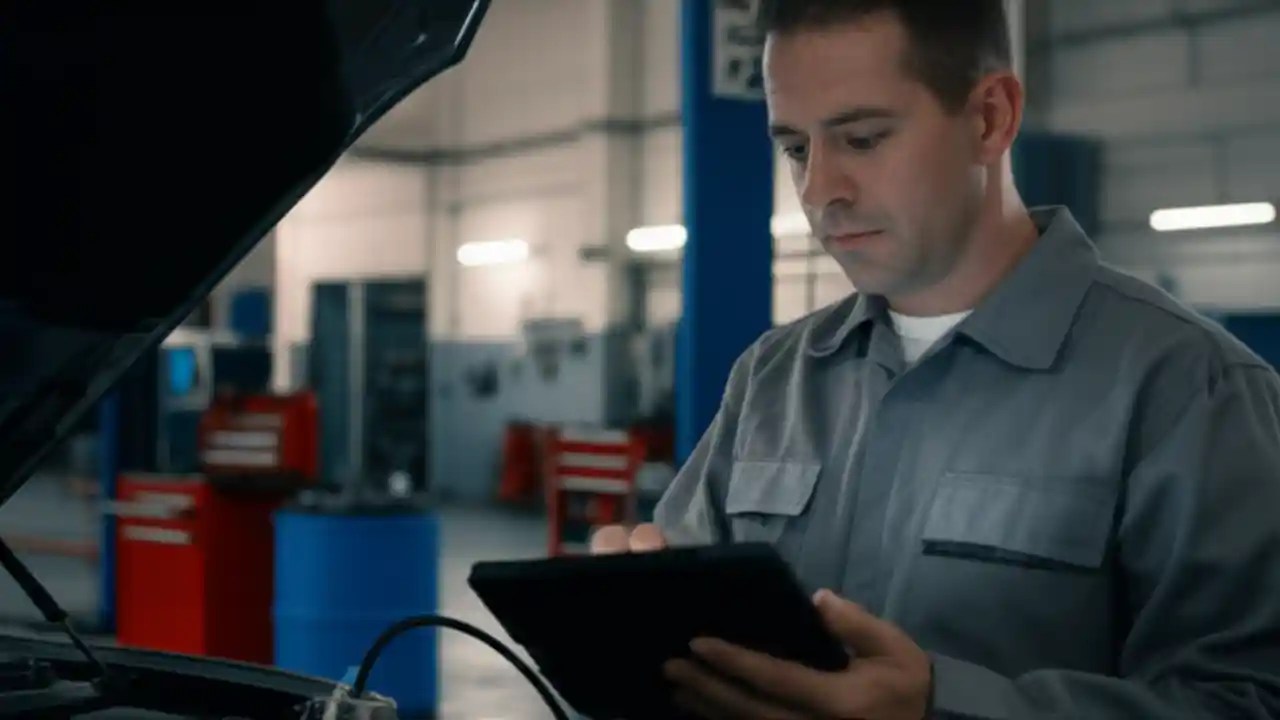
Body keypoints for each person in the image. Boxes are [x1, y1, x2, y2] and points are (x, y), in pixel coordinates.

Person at [591, 1, 1280, 718]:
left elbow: (1246, 701)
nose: (820, 191)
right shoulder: (773, 379)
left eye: (861, 139)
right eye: (797, 149)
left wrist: (939, 707)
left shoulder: (1187, 389)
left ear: (990, 118)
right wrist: (635, 625)